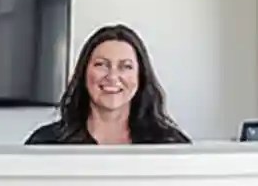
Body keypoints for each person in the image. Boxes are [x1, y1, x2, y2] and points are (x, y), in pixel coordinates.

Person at [25, 24, 190, 145]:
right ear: (84, 73)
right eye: (101, 65)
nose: (112, 76)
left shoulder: (170, 144)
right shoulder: (46, 143)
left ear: (140, 76)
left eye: (125, 67)